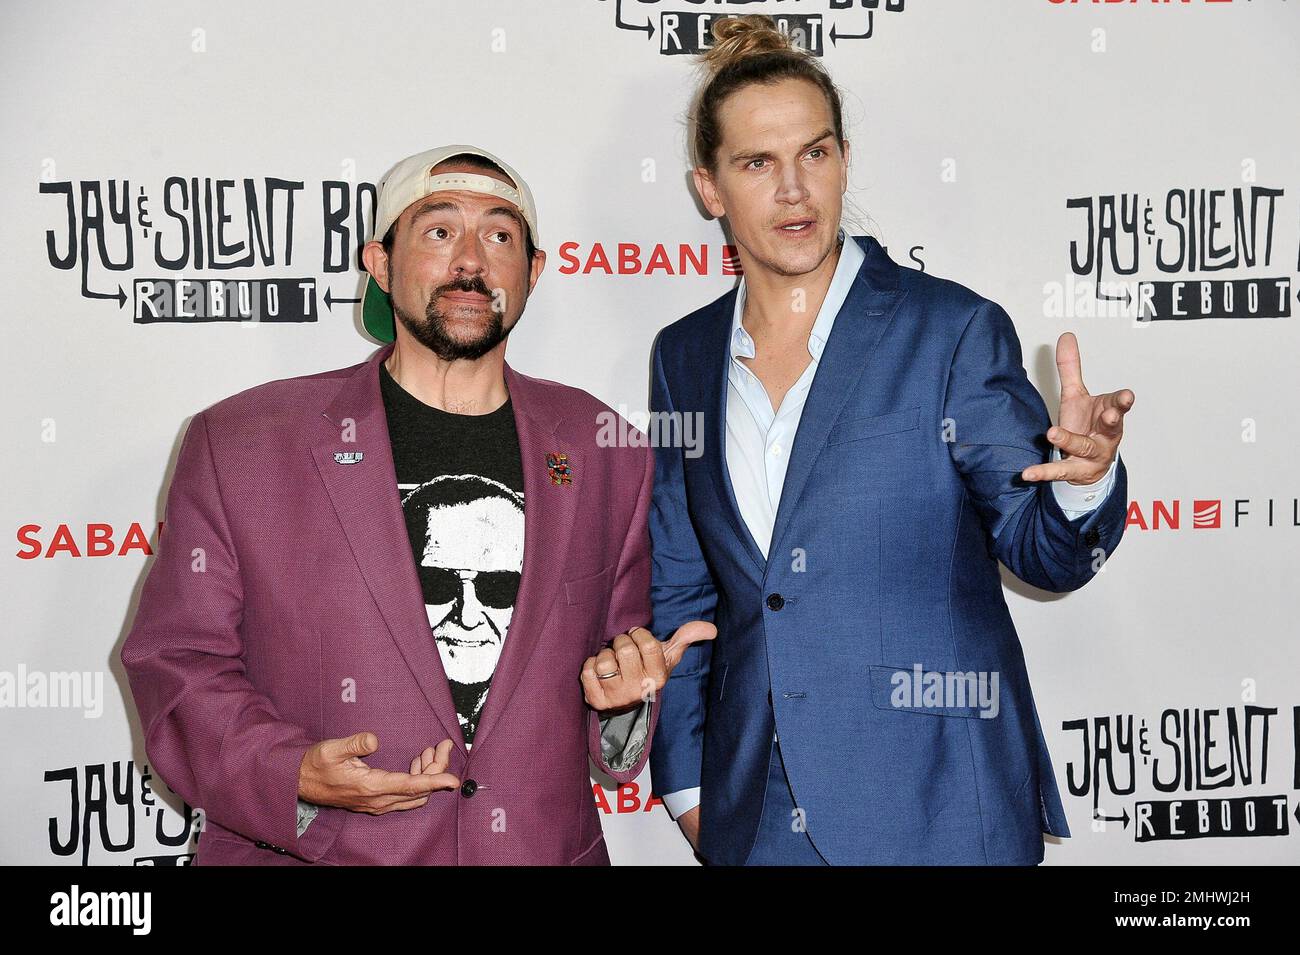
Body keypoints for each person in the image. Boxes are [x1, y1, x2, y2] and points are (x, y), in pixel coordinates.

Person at [121, 143, 712, 865]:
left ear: (533, 271)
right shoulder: (242, 443)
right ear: (379, 263)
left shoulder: (605, 449)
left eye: (500, 235)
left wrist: (621, 702)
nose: (472, 260)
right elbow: (175, 661)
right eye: (438, 231)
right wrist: (295, 773)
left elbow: (613, 682)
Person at [648, 17, 1134, 865]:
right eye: (758, 163)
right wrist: (691, 788)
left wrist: (1083, 483)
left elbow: (1042, 552)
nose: (795, 190)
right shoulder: (682, 353)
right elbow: (684, 586)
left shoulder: (950, 329)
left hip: (941, 806)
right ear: (709, 189)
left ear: (842, 162)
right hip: (758, 812)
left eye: (816, 153)